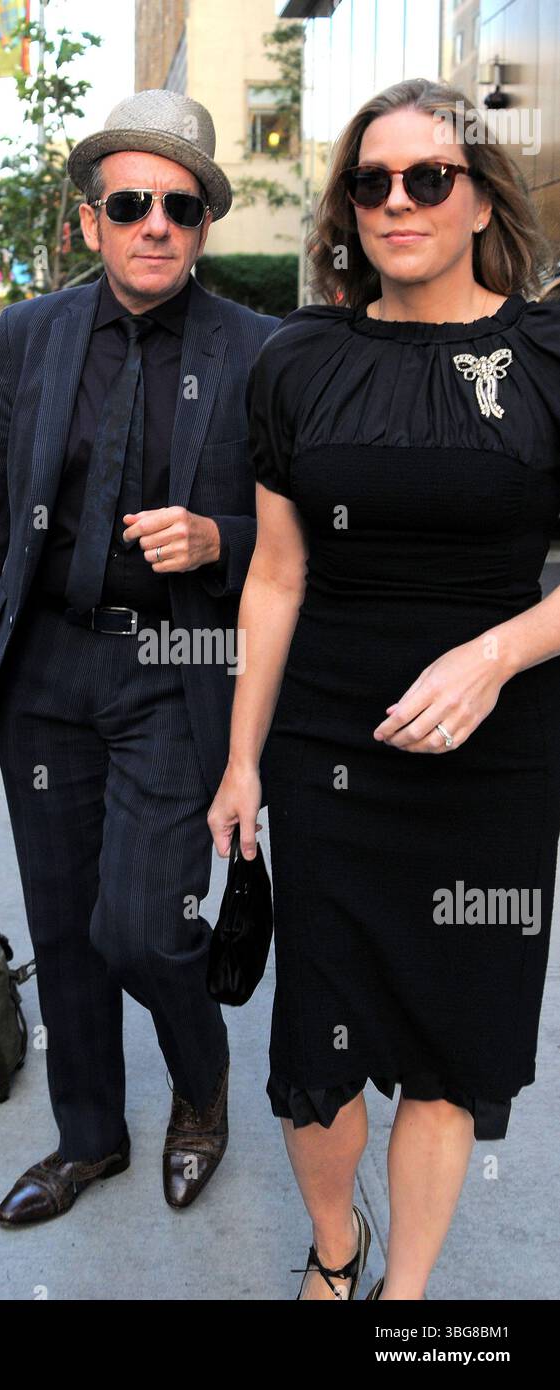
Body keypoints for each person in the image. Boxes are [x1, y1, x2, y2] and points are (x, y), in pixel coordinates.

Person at [208, 76, 560, 1300]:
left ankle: (399, 1303)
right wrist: (242, 760)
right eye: (371, 181)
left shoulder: (546, 356)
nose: (396, 200)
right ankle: (333, 1247)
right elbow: (274, 578)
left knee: (451, 1049)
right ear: (346, 208)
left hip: (498, 760)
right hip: (328, 752)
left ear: (477, 199)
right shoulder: (296, 363)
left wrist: (496, 650)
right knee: (318, 1045)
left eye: (428, 177)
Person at [0, 89, 279, 1222]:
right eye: (130, 202)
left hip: (175, 670)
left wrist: (221, 536)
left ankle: (200, 1088)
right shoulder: (27, 335)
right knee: (66, 922)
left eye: (178, 205)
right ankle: (87, 1138)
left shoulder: (257, 352)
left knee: (139, 922)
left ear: (202, 223)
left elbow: (308, 538)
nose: (154, 223)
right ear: (91, 221)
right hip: (46, 675)